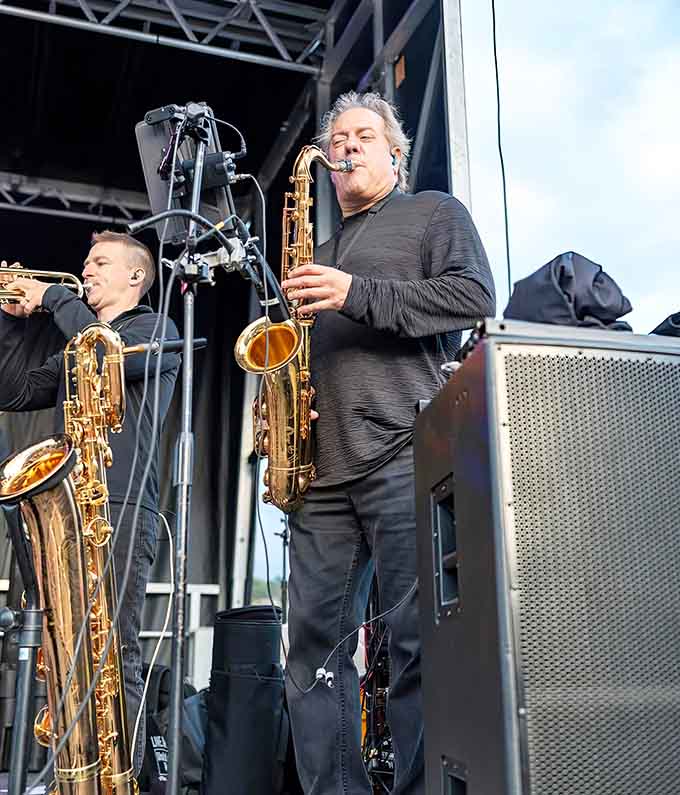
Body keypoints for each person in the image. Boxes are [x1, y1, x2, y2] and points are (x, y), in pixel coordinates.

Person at [279, 91, 496, 794]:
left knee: (417, 650)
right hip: (324, 474)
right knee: (309, 655)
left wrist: (355, 293)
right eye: (336, 137)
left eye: (363, 135)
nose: (345, 146)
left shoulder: (433, 213)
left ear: (393, 152)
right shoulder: (315, 253)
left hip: (407, 452)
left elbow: (473, 298)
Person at [0, 230, 180, 776]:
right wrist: (12, 318)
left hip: (121, 506)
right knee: (62, 651)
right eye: (86, 263)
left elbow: (99, 354)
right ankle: (72, 772)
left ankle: (124, 779)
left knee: (110, 651)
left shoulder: (157, 330)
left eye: (100, 262)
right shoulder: (75, 340)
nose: (88, 270)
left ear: (135, 277)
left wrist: (53, 298)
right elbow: (11, 391)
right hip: (67, 508)